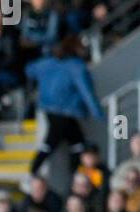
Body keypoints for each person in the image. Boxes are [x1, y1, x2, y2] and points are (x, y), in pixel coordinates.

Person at [27, 36, 104, 176]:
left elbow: (29, 70)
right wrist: (98, 113)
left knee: (76, 141)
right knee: (54, 141)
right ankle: (33, 171)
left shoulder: (46, 63)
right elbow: (86, 91)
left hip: (48, 109)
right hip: (66, 111)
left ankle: (74, 175)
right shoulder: (76, 66)